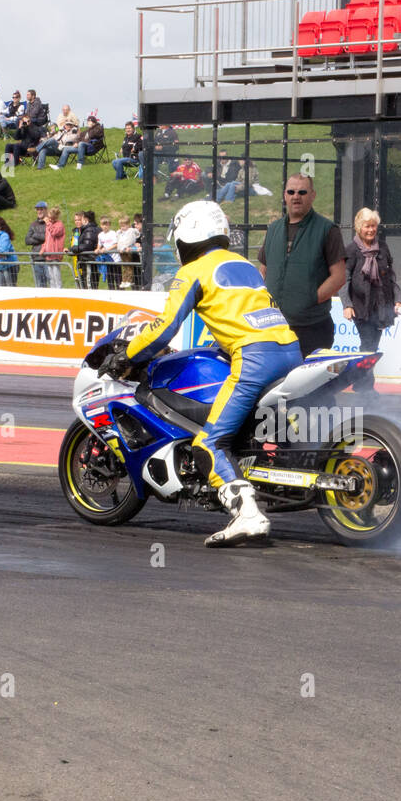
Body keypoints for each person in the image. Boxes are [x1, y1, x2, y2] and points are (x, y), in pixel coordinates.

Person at [105, 201, 301, 547]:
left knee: (209, 441)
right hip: (290, 350)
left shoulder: (192, 271)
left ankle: (247, 513)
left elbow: (165, 328)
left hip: (254, 359)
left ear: (186, 237)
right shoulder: (241, 264)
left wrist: (128, 356)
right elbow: (240, 312)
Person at [258, 173, 347, 357]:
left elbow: (338, 277)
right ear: (285, 195)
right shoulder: (273, 229)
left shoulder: (327, 230)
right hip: (275, 329)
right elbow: (264, 269)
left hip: (312, 329)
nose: (296, 196)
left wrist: (311, 299)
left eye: (302, 192)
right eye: (291, 192)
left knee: (310, 386)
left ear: (312, 195)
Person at [339, 208, 401, 394]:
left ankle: (355, 380)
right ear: (359, 227)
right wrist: (347, 305)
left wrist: (398, 299)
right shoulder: (351, 250)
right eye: (367, 226)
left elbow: (390, 276)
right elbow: (345, 279)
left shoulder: (382, 247)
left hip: (382, 306)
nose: (371, 230)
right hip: (361, 307)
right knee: (367, 346)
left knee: (372, 347)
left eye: (373, 226)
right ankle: (364, 385)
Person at [25, 201, 48, 288]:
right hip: (37, 258)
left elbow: (48, 238)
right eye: (37, 210)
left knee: (52, 284)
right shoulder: (33, 224)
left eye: (41, 209)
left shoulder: (49, 223)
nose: (39, 211)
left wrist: (35, 235)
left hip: (47, 258)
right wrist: (41, 239)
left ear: (46, 210)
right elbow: (27, 240)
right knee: (39, 285)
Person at [42, 207, 66, 289]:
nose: (48, 218)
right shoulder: (49, 225)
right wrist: (43, 249)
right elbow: (46, 239)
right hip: (48, 254)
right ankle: (53, 293)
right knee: (51, 277)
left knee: (56, 276)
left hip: (55, 254)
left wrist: (48, 223)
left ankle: (59, 292)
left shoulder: (59, 225)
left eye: (50, 217)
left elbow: (54, 233)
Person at [93, 217, 119, 289]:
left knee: (118, 279)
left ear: (109, 225)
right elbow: (100, 244)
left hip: (115, 259)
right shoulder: (100, 235)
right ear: (101, 225)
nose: (105, 226)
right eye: (103, 225)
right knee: (110, 279)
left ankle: (120, 293)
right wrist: (98, 249)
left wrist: (107, 249)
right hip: (107, 260)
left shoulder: (113, 233)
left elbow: (116, 244)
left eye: (106, 225)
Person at [116, 215, 140, 289]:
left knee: (129, 266)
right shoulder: (121, 233)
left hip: (127, 250)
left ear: (128, 225)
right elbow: (119, 240)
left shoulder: (131, 231)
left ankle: (129, 280)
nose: (122, 227)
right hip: (122, 251)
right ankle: (124, 280)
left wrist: (126, 247)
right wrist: (120, 248)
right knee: (125, 266)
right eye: (121, 226)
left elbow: (132, 239)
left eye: (124, 226)